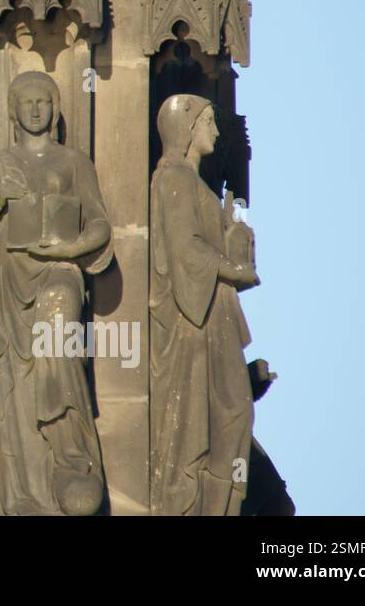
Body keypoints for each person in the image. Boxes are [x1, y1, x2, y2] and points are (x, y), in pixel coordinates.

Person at [0, 71, 111, 515]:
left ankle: (70, 453)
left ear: (56, 107)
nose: (36, 108)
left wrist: (71, 248)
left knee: (58, 335)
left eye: (43, 100)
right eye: (26, 102)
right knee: (13, 387)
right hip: (8, 280)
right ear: (13, 112)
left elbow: (99, 224)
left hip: (59, 269)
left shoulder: (73, 163)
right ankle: (24, 488)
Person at [149, 93, 260, 516]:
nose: (214, 129)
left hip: (215, 314)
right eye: (209, 121)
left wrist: (233, 235)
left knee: (233, 413)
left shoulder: (193, 183)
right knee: (226, 414)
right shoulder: (173, 178)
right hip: (198, 321)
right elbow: (185, 251)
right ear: (187, 127)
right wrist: (234, 269)